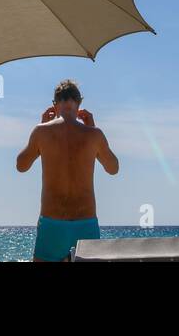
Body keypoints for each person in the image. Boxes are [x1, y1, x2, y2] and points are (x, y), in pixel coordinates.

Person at [16, 79, 118, 262]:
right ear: (79, 104)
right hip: (86, 221)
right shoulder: (94, 135)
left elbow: (21, 166)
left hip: (52, 221)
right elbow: (113, 168)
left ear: (55, 105)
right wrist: (92, 129)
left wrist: (41, 128)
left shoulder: (41, 132)